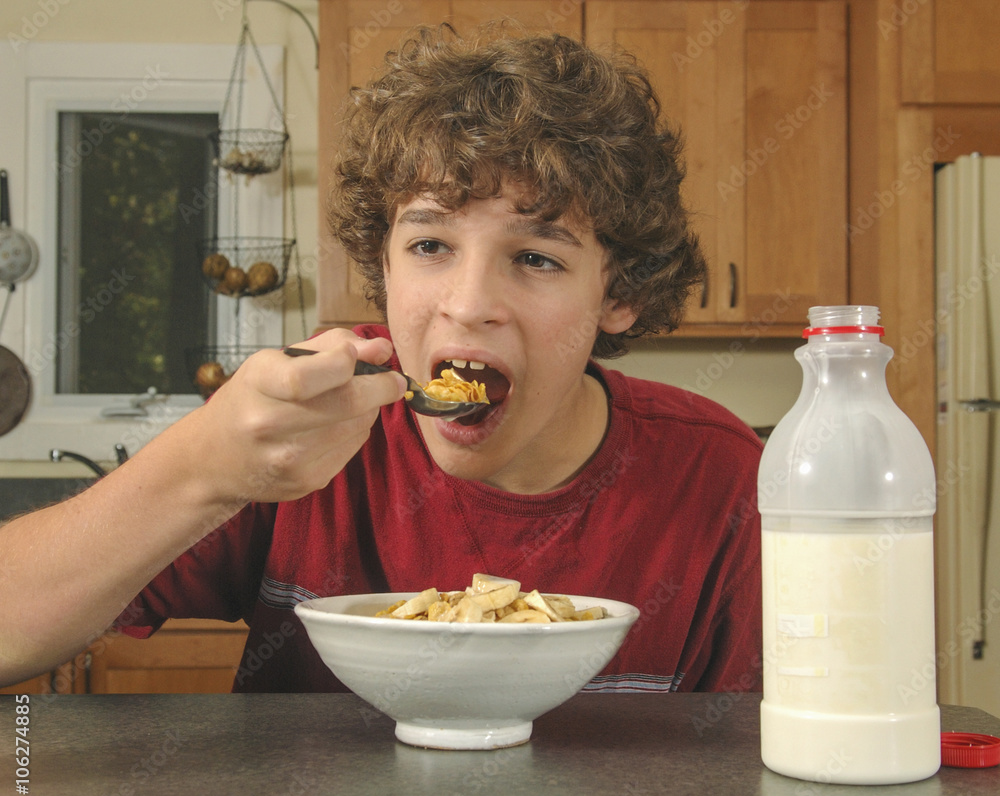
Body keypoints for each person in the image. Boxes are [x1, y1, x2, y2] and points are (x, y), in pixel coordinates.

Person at [0, 24, 763, 693]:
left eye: (534, 257)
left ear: (618, 292)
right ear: (384, 265)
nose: (467, 304)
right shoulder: (296, 439)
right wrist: (205, 466)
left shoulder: (726, 484)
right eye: (430, 245)